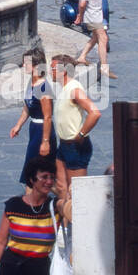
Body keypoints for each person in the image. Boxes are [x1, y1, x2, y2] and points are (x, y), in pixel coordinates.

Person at [51, 54, 101, 193]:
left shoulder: (74, 90)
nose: (50, 72)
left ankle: (74, 214)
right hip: (64, 145)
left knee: (77, 192)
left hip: (75, 146)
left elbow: (95, 113)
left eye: (53, 68)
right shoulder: (65, 89)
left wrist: (80, 134)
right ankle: (64, 214)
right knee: (61, 187)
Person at [11, 48, 55, 186]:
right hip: (34, 128)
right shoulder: (32, 82)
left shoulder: (43, 88)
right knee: (36, 170)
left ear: (36, 65)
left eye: (27, 63)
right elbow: (27, 107)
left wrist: (45, 141)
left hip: (43, 130)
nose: (24, 65)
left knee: (33, 171)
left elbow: (48, 117)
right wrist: (18, 125)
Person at [73, 0, 116, 79]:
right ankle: (104, 67)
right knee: (103, 38)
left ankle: (82, 57)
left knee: (95, 37)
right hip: (93, 16)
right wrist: (80, 16)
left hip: (96, 15)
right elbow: (82, 3)